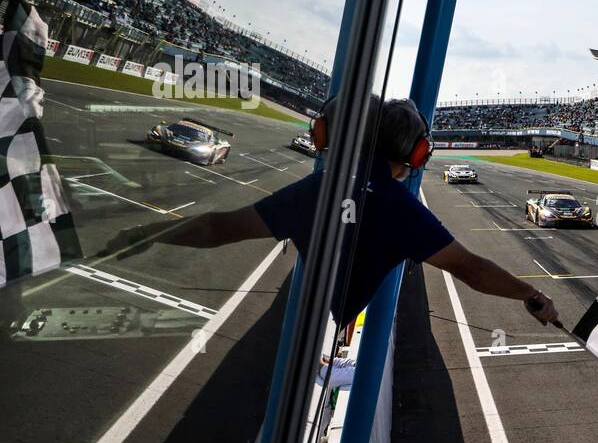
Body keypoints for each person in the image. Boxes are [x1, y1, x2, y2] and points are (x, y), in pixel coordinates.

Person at [103, 98, 559, 327]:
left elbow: (219, 227)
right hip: (320, 336)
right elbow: (469, 268)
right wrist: (530, 295)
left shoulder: (322, 186)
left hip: (299, 323)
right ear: (416, 153)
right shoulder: (398, 207)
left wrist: (147, 231)